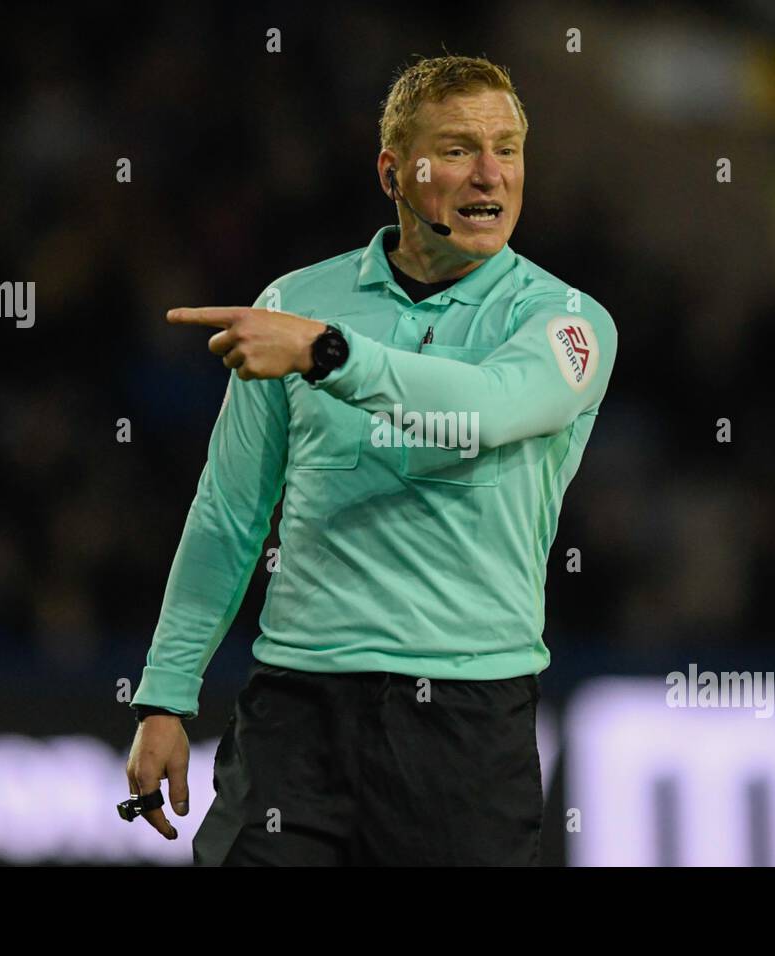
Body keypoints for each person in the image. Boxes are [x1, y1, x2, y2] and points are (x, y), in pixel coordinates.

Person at [124, 54, 616, 865]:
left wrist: (327, 352)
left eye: (509, 147)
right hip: (294, 717)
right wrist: (165, 697)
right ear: (394, 170)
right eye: (457, 148)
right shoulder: (293, 304)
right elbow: (230, 509)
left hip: (464, 730)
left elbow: (484, 410)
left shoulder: (566, 322)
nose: (490, 171)